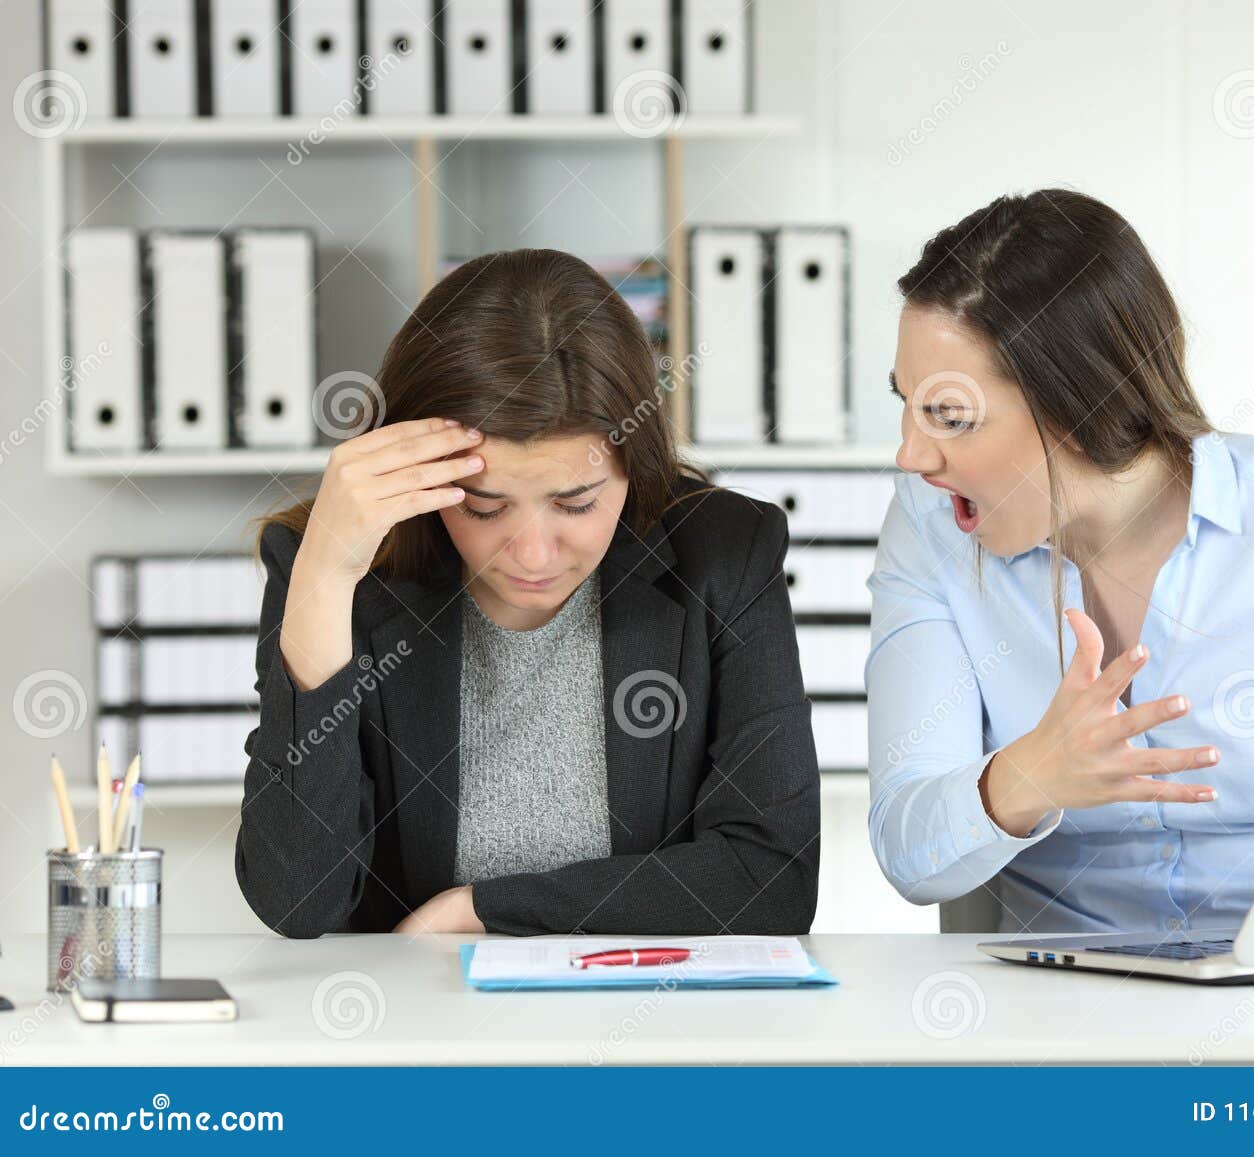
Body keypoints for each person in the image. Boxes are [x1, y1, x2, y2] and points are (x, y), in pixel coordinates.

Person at [867, 189, 1254, 934]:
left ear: (1079, 400)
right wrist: (1031, 773)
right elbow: (907, 852)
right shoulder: (929, 528)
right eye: (906, 404)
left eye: (948, 416)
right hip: (1057, 1013)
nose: (911, 455)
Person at [236, 249, 820, 938]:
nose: (533, 554)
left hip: (652, 1022)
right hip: (413, 1024)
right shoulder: (340, 566)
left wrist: (483, 909)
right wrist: (326, 577)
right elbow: (298, 899)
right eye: (485, 508)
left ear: (638, 466)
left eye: (575, 504)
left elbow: (770, 880)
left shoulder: (724, 552)